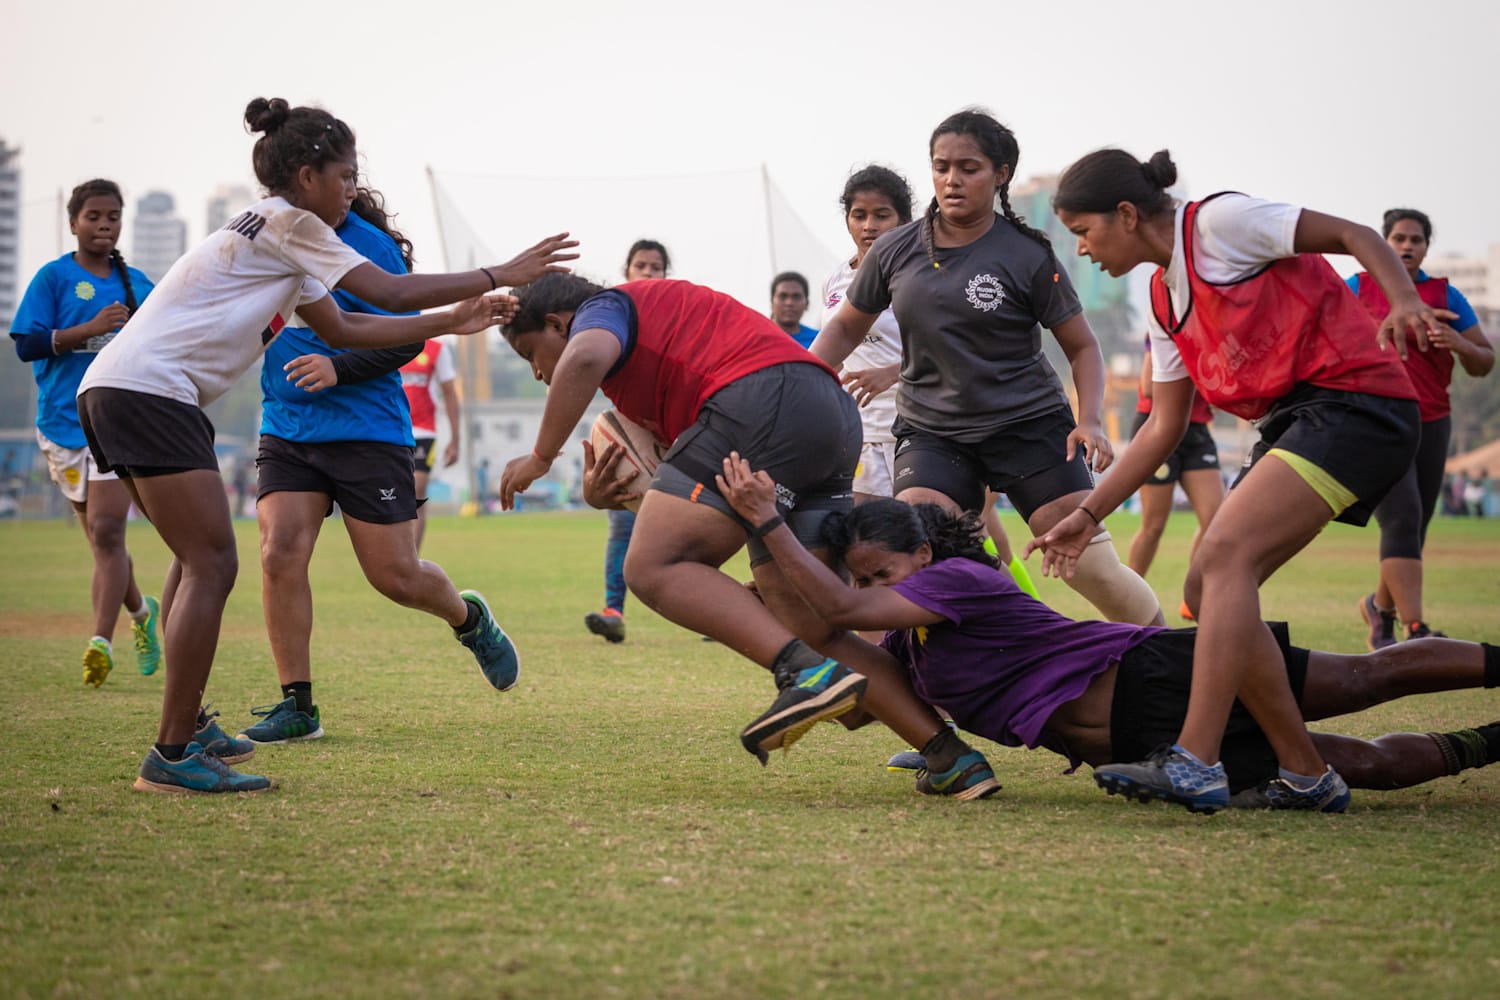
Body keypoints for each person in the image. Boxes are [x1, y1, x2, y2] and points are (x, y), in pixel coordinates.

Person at [74, 96, 577, 794]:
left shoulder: (276, 235)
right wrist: (499, 273)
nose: (352, 186)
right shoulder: (292, 224)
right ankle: (172, 754)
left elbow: (345, 329)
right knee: (215, 562)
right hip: (151, 392)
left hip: (114, 390)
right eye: (344, 174)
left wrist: (454, 322)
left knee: (205, 562)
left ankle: (186, 727)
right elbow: (388, 291)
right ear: (307, 175)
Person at [1034, 147, 1443, 813]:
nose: (1081, 250)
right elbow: (1161, 429)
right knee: (1208, 583)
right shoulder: (1165, 298)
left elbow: (1354, 234)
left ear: (1128, 215)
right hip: (1300, 419)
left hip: (1357, 402)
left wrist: (1400, 300)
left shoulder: (1219, 224)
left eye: (1083, 231)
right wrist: (1089, 513)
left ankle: (1196, 762)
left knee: (1225, 556)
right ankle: (1307, 773)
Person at [498, 273, 1002, 798]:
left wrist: (539, 458)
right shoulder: (659, 360)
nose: (537, 373)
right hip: (825, 416)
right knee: (814, 626)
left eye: (532, 353)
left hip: (759, 401)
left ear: (559, 323)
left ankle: (803, 675)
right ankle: (951, 757)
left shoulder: (605, 308)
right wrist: (606, 496)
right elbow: (699, 506)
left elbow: (582, 358)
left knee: (650, 567)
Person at [711, 478, 1500, 807]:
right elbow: (847, 679)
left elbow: (839, 611)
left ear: (920, 555)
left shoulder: (956, 582)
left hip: (1155, 674)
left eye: (882, 571)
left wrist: (766, 521)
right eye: (865, 576)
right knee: (1353, 767)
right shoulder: (911, 638)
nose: (873, 589)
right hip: (1139, 737)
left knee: (1361, 680)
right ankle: (1492, 741)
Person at [811, 109, 1161, 628]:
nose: (952, 179)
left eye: (968, 167)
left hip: (1029, 426)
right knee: (918, 551)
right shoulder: (894, 251)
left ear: (1000, 175)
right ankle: (959, 683)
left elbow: (1083, 347)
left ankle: (1174, 661)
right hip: (934, 434)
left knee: (1089, 567)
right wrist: (798, 380)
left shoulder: (1028, 254)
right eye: (941, 166)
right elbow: (843, 330)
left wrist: (1088, 421)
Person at [240, 184, 515, 745]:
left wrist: (338, 369)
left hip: (367, 431)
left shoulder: (368, 247)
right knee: (278, 552)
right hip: (288, 427)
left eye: (346, 175)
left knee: (396, 576)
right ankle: (298, 705)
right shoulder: (263, 236)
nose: (343, 185)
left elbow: (407, 338)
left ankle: (469, 619)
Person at [822, 163, 1036, 772]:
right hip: (861, 436)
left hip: (928, 430)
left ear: (904, 217)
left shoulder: (922, 265)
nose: (868, 225)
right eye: (858, 214)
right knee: (872, 566)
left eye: (881, 214)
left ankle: (1010, 623)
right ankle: (924, 720)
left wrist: (892, 374)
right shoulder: (837, 279)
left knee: (937, 559)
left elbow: (945, 347)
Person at [9, 178, 162, 686]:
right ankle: (142, 613)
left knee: (107, 530)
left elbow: (163, 345)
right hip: (61, 425)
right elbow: (27, 345)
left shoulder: (138, 282)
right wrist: (90, 329)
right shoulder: (52, 279)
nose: (104, 225)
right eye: (93, 216)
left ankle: (100, 641)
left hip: (116, 424)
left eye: (113, 217)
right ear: (73, 222)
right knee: (103, 544)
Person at [1348, 208, 1493, 648]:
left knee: (1415, 527)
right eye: (1398, 238)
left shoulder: (1446, 296)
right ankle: (1415, 630)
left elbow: (1484, 361)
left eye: (1416, 239)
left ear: (1427, 247)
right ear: (1383, 243)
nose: (1407, 246)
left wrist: (1461, 344)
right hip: (1377, 420)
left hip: (1433, 422)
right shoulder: (1356, 288)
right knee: (1403, 517)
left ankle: (1380, 608)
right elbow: (1321, 340)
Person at [583, 239, 672, 645]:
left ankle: (724, 605)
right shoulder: (615, 315)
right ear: (627, 271)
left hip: (677, 435)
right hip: (629, 436)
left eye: (656, 267)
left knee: (701, 522)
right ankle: (613, 610)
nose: (649, 273)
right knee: (621, 524)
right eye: (642, 265)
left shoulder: (675, 316)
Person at [1125, 343, 1225, 620]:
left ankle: (1194, 598)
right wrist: (1204, 380)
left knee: (1216, 520)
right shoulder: (1166, 325)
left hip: (1196, 431)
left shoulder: (1213, 332)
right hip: (1157, 425)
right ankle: (1126, 601)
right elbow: (1147, 386)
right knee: (1153, 526)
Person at [399, 337, 460, 551]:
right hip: (391, 430)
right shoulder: (384, 341)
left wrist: (455, 439)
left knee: (417, 490)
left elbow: (450, 393)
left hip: (424, 431)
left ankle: (412, 557)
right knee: (390, 493)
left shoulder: (436, 349)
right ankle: (395, 555)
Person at [771, 272, 818, 349]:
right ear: (772, 302)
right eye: (783, 296)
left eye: (796, 297)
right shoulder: (756, 339)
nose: (789, 303)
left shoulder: (819, 341)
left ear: (807, 303)